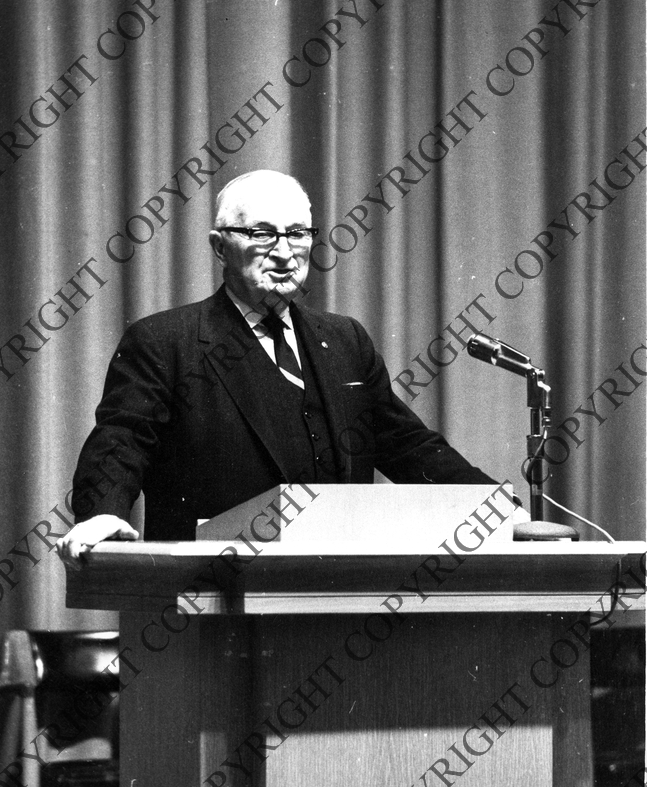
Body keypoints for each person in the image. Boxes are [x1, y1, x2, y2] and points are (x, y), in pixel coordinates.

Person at [57, 170, 511, 567]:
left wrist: (499, 510)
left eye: (297, 233)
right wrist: (102, 514)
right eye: (261, 233)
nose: (284, 252)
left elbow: (407, 444)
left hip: (341, 593)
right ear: (220, 247)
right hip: (208, 600)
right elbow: (121, 442)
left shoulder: (346, 340)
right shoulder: (165, 341)